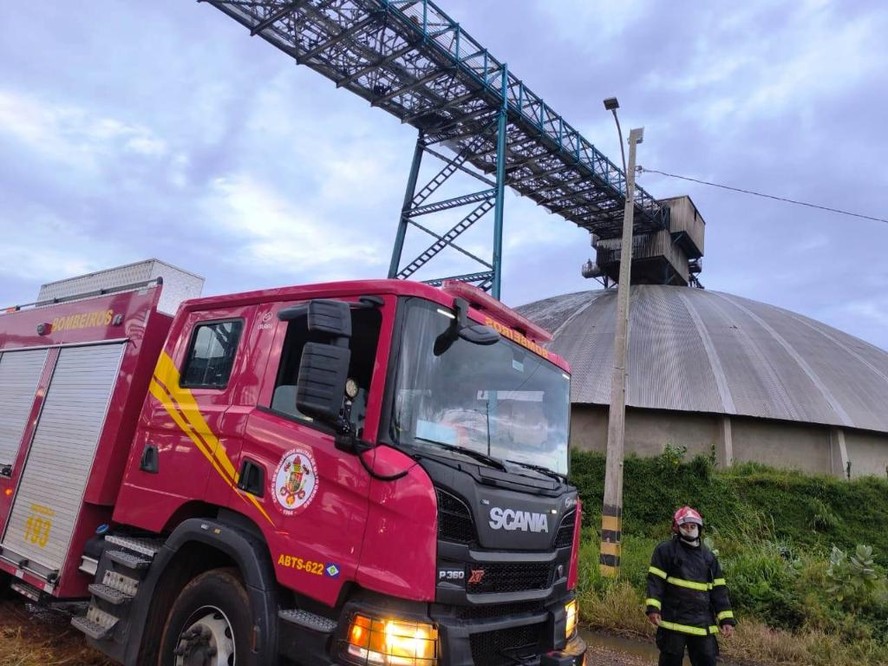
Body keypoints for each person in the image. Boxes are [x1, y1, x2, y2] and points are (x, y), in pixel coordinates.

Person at [645, 506, 736, 666]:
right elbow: (655, 581)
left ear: (699, 528)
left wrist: (726, 619)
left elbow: (719, 591)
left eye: (693, 526)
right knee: (670, 660)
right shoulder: (666, 551)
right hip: (673, 621)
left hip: (702, 623)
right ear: (676, 528)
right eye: (685, 526)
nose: (689, 529)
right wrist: (653, 608)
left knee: (707, 660)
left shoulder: (709, 557)